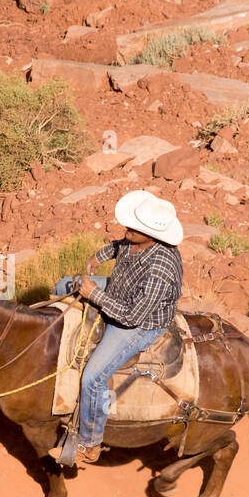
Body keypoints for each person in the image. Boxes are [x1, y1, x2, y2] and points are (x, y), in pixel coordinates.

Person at [52, 190, 184, 466]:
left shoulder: (161, 268)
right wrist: (96, 258)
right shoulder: (134, 239)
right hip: (117, 292)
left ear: (153, 236)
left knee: (93, 378)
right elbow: (118, 245)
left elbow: (132, 316)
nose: (127, 231)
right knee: (63, 285)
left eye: (134, 229)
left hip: (139, 325)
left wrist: (93, 295)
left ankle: (89, 443)